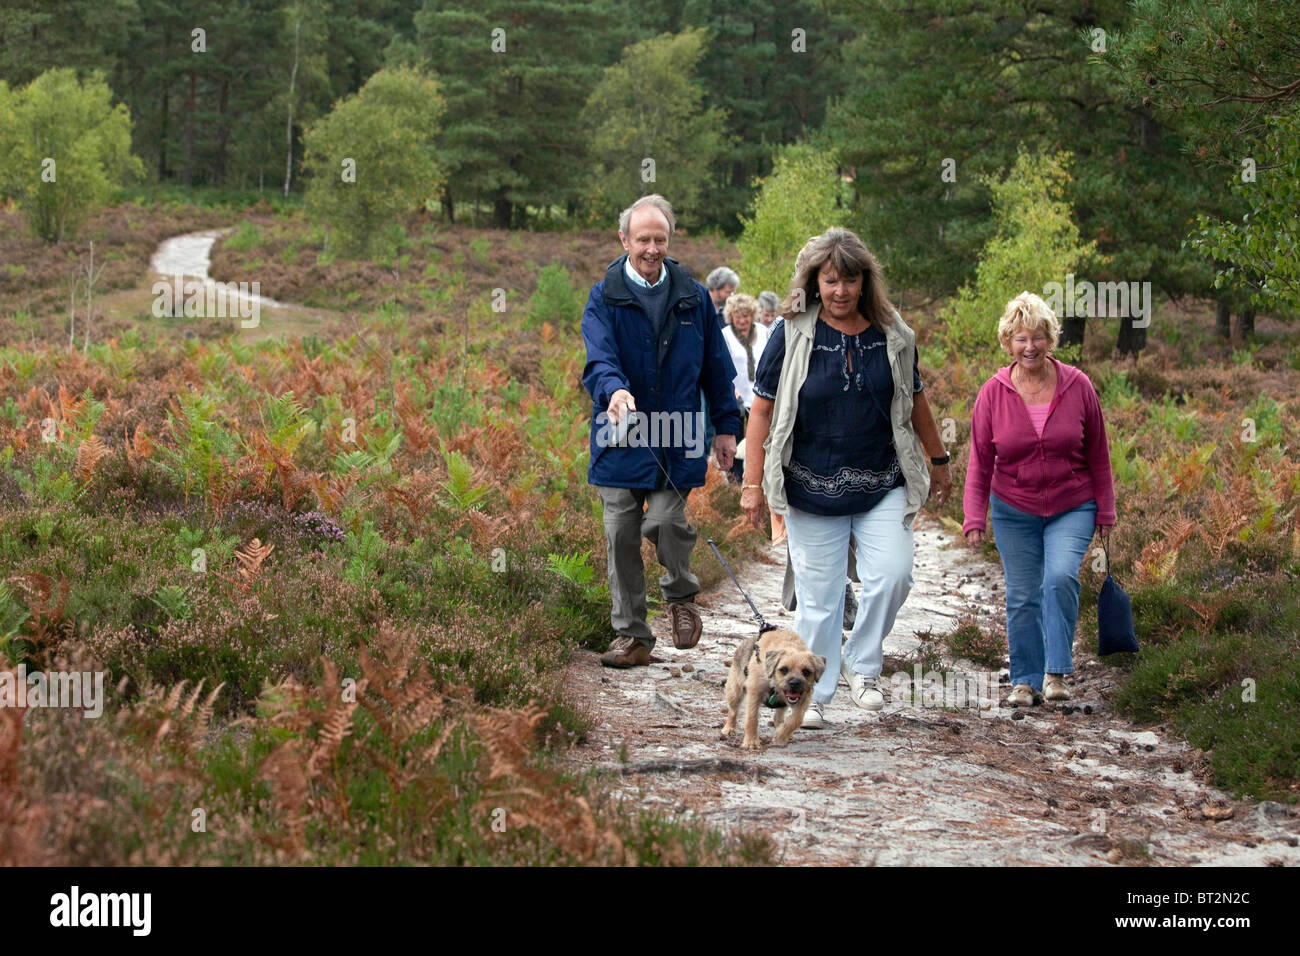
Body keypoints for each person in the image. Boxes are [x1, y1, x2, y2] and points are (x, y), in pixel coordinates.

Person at [741, 228, 952, 729]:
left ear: (865, 282)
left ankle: (863, 664)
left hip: (882, 478)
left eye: (850, 281)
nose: (840, 291)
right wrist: (752, 486)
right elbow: (762, 411)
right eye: (830, 280)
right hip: (810, 485)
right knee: (820, 596)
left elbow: (916, 398)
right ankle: (815, 697)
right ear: (814, 282)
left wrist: (938, 460)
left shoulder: (893, 333)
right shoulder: (790, 332)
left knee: (894, 575)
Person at [581, 194, 742, 669]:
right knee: (620, 533)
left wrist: (727, 429)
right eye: (642, 239)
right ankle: (632, 637)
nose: (651, 248)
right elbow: (599, 357)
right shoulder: (603, 296)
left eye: (660, 239)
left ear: (669, 240)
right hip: (619, 429)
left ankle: (680, 597)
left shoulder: (693, 296)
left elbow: (718, 368)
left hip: (679, 434)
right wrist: (614, 391)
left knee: (665, 521)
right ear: (624, 239)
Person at [962, 291, 1116, 705]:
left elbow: (1098, 452)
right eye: (1020, 339)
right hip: (1013, 508)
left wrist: (1106, 507)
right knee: (1022, 593)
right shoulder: (992, 394)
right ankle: (1025, 680)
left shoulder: (1078, 385)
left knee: (1060, 579)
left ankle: (1056, 673)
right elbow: (980, 460)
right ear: (1008, 343)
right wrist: (975, 516)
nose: (1030, 347)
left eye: (1038, 337)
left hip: (1073, 504)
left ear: (1051, 339)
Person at [721, 293, 769, 483]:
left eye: (746, 315)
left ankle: (759, 482)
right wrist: (733, 392)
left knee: (759, 442)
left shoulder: (764, 332)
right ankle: (736, 485)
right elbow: (721, 368)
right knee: (737, 444)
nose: (742, 320)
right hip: (736, 398)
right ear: (731, 316)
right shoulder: (724, 335)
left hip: (761, 397)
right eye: (738, 315)